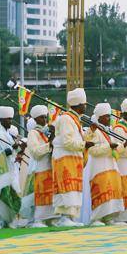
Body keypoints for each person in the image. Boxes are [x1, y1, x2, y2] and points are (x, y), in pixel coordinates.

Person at [52, 89, 88, 228]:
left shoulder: (73, 119)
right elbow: (67, 142)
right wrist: (84, 145)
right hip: (65, 157)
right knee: (66, 186)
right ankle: (64, 217)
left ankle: (69, 217)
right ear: (78, 105)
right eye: (84, 104)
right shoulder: (66, 118)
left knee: (72, 187)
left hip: (73, 157)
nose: (85, 106)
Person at [83, 103, 123, 225]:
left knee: (112, 189)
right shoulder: (94, 131)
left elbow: (116, 147)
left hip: (111, 164)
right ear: (99, 117)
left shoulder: (108, 131)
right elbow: (93, 151)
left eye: (109, 116)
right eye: (106, 116)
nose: (108, 119)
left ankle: (109, 217)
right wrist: (109, 146)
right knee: (100, 190)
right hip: (98, 166)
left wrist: (121, 146)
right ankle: (97, 218)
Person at [22, 105, 56, 228]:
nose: (44, 120)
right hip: (39, 167)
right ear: (36, 119)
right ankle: (38, 219)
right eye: (41, 117)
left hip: (49, 166)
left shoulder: (47, 132)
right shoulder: (33, 133)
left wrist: (53, 136)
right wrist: (49, 145)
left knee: (50, 192)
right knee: (41, 192)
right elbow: (35, 152)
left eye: (45, 117)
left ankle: (50, 218)